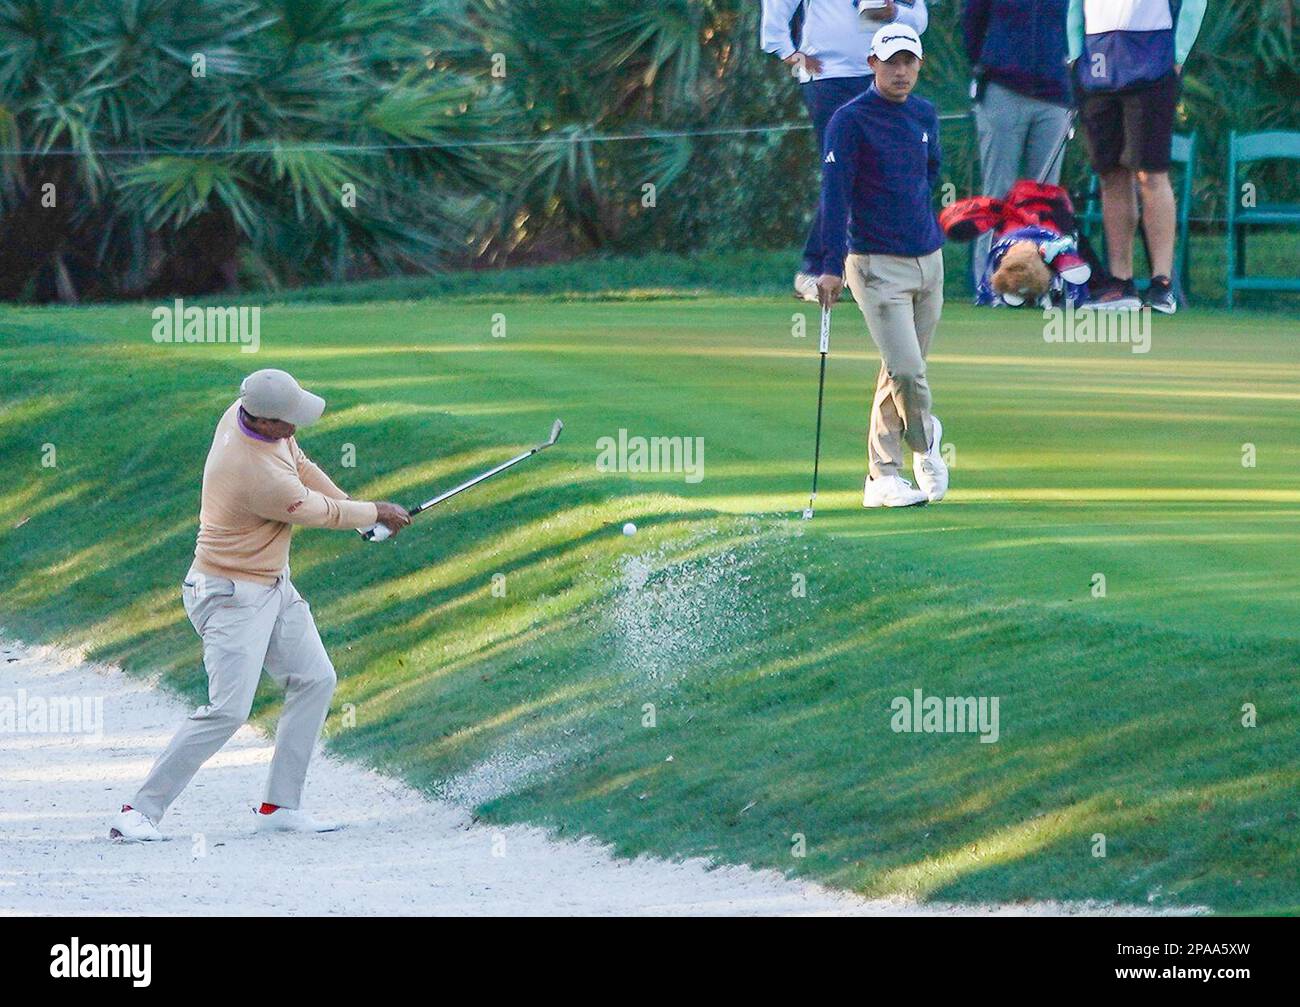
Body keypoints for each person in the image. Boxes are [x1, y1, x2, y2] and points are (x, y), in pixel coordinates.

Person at [108, 369, 411, 841]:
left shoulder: (244, 415)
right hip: (229, 597)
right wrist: (374, 512)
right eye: (287, 420)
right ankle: (139, 812)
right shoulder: (256, 475)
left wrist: (357, 511)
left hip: (271, 584)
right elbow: (316, 509)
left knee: (315, 679)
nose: (295, 427)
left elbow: (303, 465)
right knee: (228, 710)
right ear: (263, 420)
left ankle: (279, 806)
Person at [816, 23, 948, 508]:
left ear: (919, 64)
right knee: (908, 373)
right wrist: (828, 266)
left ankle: (882, 477)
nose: (901, 71)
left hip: (928, 262)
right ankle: (926, 442)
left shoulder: (925, 115)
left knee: (897, 372)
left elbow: (930, 174)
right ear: (872, 64)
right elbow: (834, 197)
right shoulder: (849, 121)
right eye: (891, 62)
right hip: (873, 264)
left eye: (908, 61)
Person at [761, 0, 929, 303]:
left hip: (879, 79)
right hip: (828, 76)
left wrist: (894, 14)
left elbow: (919, 19)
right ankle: (814, 269)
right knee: (841, 174)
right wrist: (786, 50)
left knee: (878, 175)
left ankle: (869, 269)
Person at [1068, 0, 1207, 313]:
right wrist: (1075, 55)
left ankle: (1162, 283)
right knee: (1111, 174)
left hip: (1153, 56)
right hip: (1097, 57)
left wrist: (1178, 53)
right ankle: (1121, 282)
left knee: (1150, 173)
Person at [961, 0, 1073, 295]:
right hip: (1002, 88)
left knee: (1045, 200)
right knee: (997, 195)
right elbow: (972, 20)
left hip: (1055, 93)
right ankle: (988, 284)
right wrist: (989, 64)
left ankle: (1038, 286)